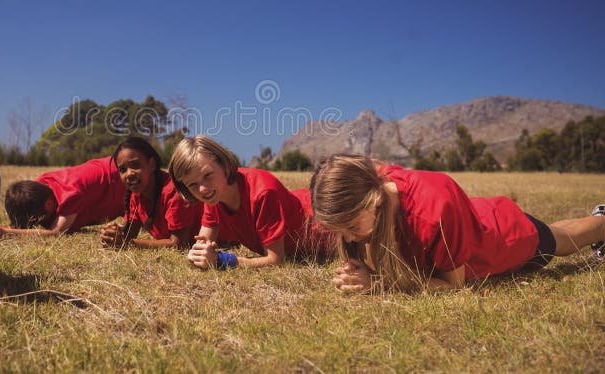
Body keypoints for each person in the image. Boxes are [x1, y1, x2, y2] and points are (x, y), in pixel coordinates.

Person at [309, 154, 605, 293]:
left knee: (559, 239)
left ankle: (601, 222)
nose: (347, 239)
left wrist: (377, 283)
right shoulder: (375, 183)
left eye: (349, 226)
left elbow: (453, 286)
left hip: (507, 236)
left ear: (373, 201)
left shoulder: (433, 209)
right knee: (554, 229)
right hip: (474, 218)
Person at [168, 135, 336, 270]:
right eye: (193, 184)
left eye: (207, 175)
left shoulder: (262, 193)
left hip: (326, 222)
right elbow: (202, 246)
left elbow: (276, 260)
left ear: (224, 166)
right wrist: (198, 255)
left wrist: (221, 260)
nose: (202, 189)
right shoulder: (214, 196)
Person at [99, 137, 202, 249]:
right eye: (123, 169)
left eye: (135, 165)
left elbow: (179, 244)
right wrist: (112, 234)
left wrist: (128, 243)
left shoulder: (174, 192)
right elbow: (129, 233)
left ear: (152, 164)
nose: (129, 173)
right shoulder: (137, 194)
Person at [0, 157, 125, 237]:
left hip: (123, 178)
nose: (39, 225)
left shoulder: (69, 196)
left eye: (38, 221)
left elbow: (55, 233)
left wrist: (5, 232)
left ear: (49, 205)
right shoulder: (39, 186)